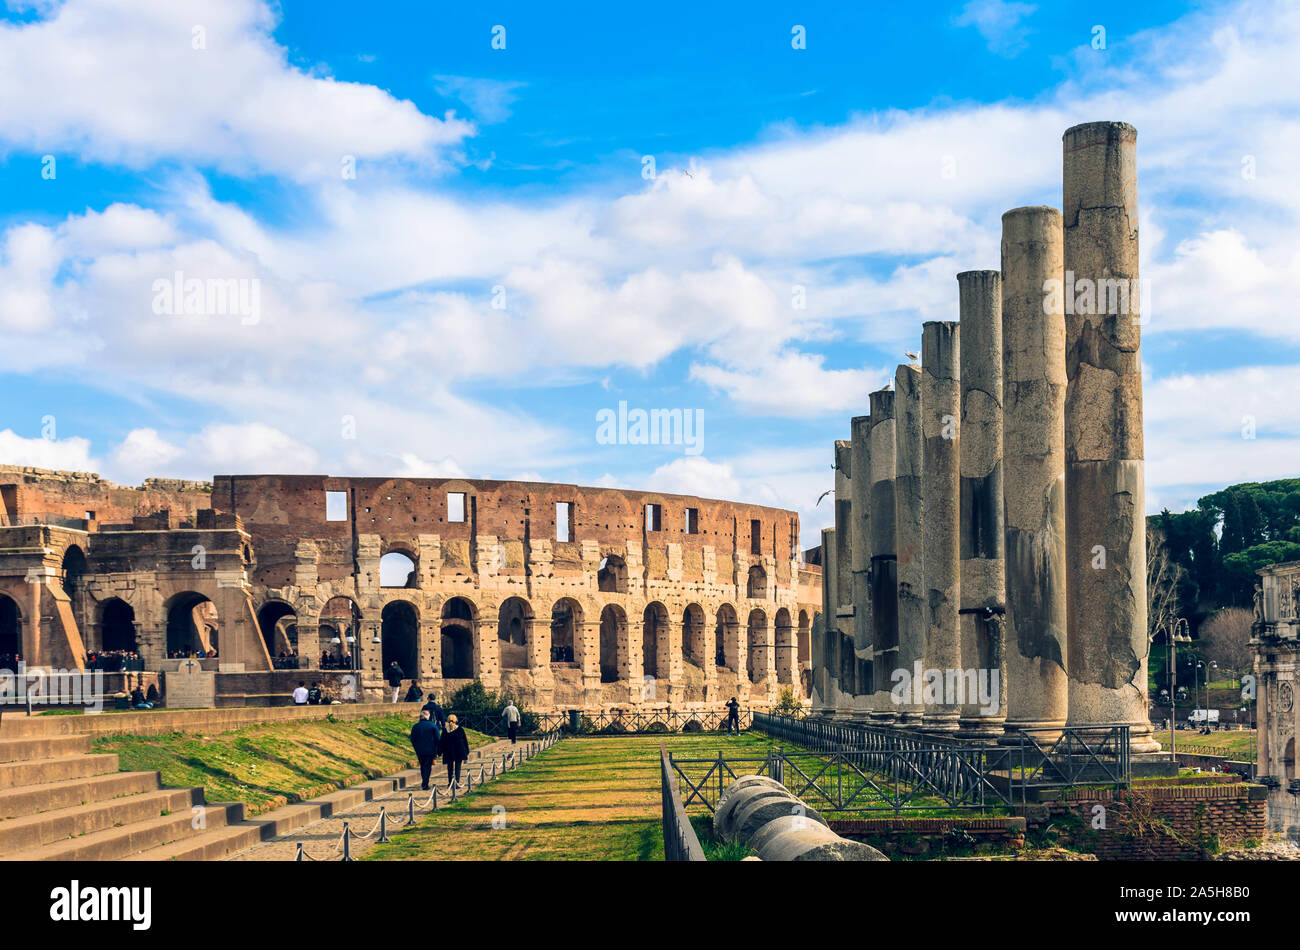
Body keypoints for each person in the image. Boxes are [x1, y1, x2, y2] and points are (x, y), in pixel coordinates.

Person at [410, 709, 440, 791]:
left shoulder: (415, 726)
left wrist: (416, 747)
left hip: (419, 750)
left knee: (423, 766)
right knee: (428, 767)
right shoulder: (433, 726)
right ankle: (425, 783)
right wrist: (438, 750)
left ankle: (424, 781)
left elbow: (412, 739)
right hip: (430, 749)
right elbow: (438, 739)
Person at [440, 713, 470, 788]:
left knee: (450, 767)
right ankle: (457, 781)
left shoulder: (445, 730)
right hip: (459, 751)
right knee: (458, 767)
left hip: (448, 751)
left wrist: (440, 751)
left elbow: (442, 742)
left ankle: (450, 782)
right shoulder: (460, 729)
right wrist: (466, 750)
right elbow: (464, 741)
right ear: (456, 720)